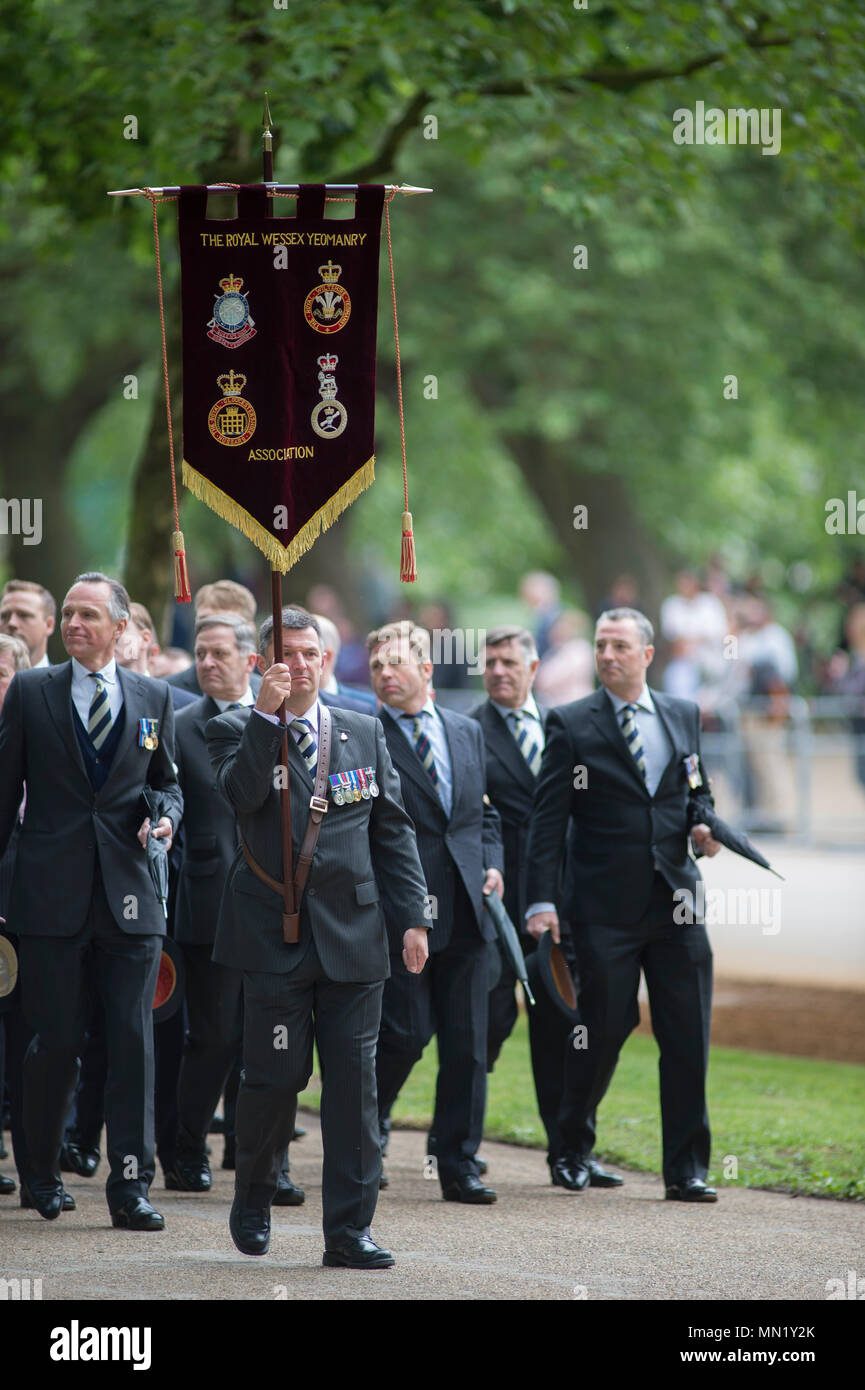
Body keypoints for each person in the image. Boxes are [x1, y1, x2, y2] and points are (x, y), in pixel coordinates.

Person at [207, 608, 429, 1267]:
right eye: (286, 654)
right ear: (261, 665)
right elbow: (240, 796)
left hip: (355, 937)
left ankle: (348, 1231)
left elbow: (392, 830)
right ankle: (253, 1194)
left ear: (325, 661)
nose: (300, 665)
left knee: (353, 1088)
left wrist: (412, 915)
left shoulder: (362, 729)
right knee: (274, 1079)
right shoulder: (231, 729)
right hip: (271, 935)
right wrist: (262, 719)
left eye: (310, 653)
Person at [0, 572, 182, 1229]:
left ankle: (130, 1186)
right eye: (68, 613)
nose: (74, 623)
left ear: (122, 628)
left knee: (133, 1043)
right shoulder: (29, 691)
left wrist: (164, 818)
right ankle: (41, 1177)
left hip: (132, 900)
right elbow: (3, 794)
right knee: (54, 1041)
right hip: (50, 900)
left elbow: (166, 784)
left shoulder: (153, 697)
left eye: (87, 614)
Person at [526, 607, 723, 1203]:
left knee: (687, 1035)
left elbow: (695, 789)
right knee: (604, 1030)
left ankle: (686, 1168)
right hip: (602, 910)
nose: (607, 655)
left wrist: (704, 824)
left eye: (619, 646)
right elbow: (546, 821)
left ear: (647, 654)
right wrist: (541, 900)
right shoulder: (570, 723)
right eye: (600, 645)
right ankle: (572, 1145)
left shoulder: (683, 714)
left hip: (677, 905)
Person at [470, 626, 622, 1190]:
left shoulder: (566, 725)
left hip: (566, 898)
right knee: (486, 1024)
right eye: (490, 663)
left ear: (534, 668)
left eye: (510, 661)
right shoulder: (469, 733)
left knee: (567, 1026)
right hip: (497, 901)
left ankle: (571, 1152)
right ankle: (454, 1143)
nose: (499, 671)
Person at [169, 612, 307, 1201]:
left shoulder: (291, 721)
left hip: (280, 903)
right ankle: (184, 1148)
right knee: (218, 1036)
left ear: (253, 662)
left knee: (274, 1038)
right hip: (210, 901)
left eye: (219, 653)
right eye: (199, 653)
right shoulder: (180, 725)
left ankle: (267, 1160)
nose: (206, 663)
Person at [368, 620, 504, 1204]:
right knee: (404, 1034)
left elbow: (482, 815)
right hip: (403, 912)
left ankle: (457, 1161)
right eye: (375, 667)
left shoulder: (465, 731)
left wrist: (492, 863)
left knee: (469, 1045)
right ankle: (366, 1130)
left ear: (426, 670)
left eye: (395, 663)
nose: (383, 674)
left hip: (469, 911)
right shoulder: (362, 733)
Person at [167, 580, 260, 697]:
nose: (211, 629)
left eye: (226, 622)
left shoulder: (267, 694)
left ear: (249, 630)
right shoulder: (168, 692)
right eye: (204, 621)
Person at [0, 579, 56, 668]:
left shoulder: (68, 681)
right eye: (4, 616)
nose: (11, 623)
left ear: (49, 625)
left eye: (24, 615)